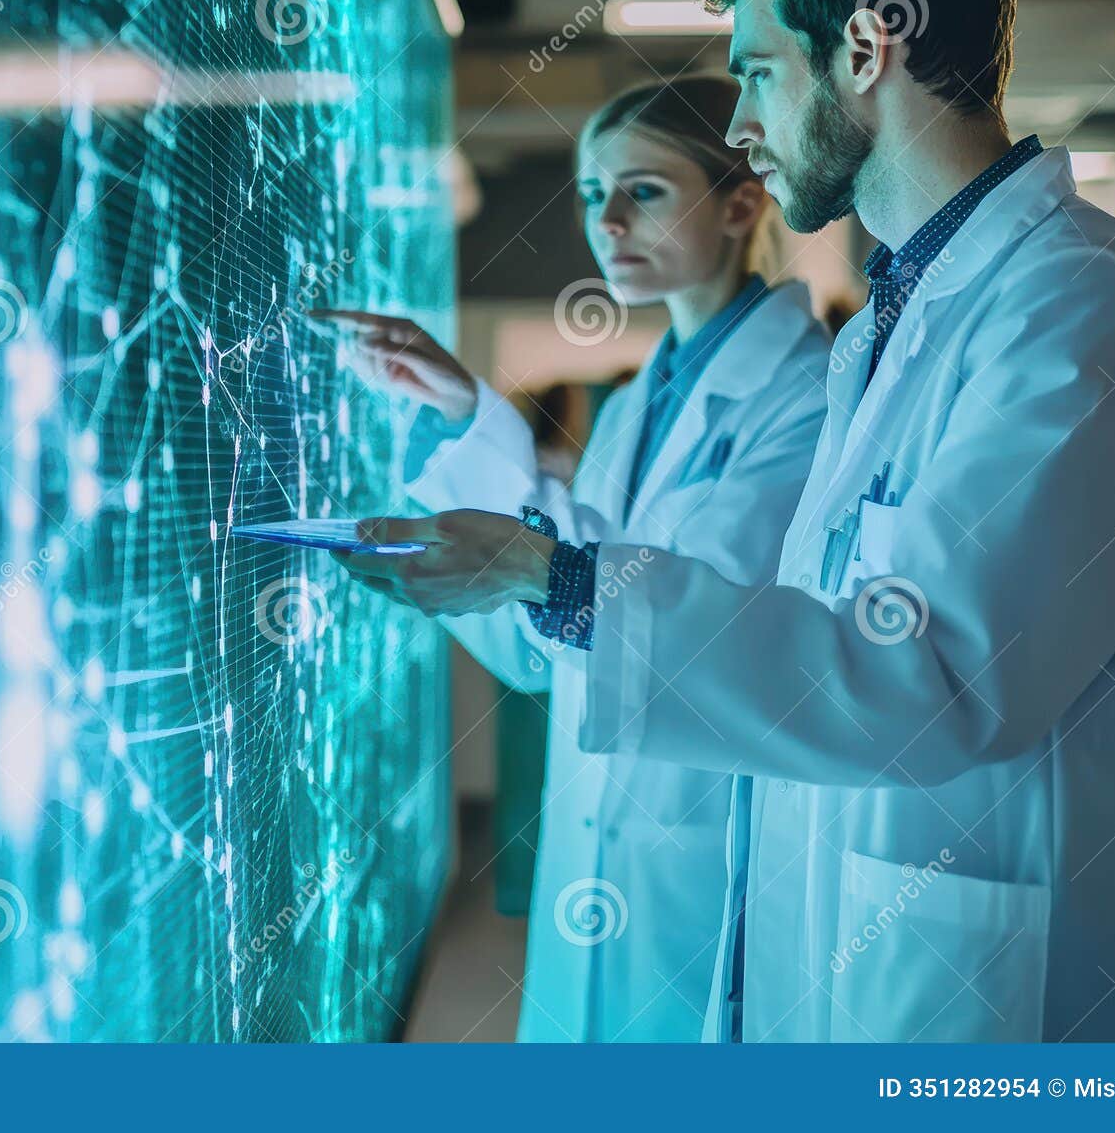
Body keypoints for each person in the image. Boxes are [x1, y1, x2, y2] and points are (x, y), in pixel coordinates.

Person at [334, 0, 1115, 1043]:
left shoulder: (1080, 308)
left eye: (759, 72)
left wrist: (554, 576)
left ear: (869, 45)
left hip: (1014, 1002)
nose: (744, 125)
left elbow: (929, 677)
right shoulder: (888, 329)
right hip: (863, 966)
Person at [317, 75, 831, 1042]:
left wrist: (532, 567)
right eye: (593, 195)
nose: (608, 221)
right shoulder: (638, 402)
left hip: (707, 839)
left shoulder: (801, 396)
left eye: (643, 190)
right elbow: (559, 638)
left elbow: (704, 631)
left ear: (740, 202)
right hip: (602, 839)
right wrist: (467, 415)